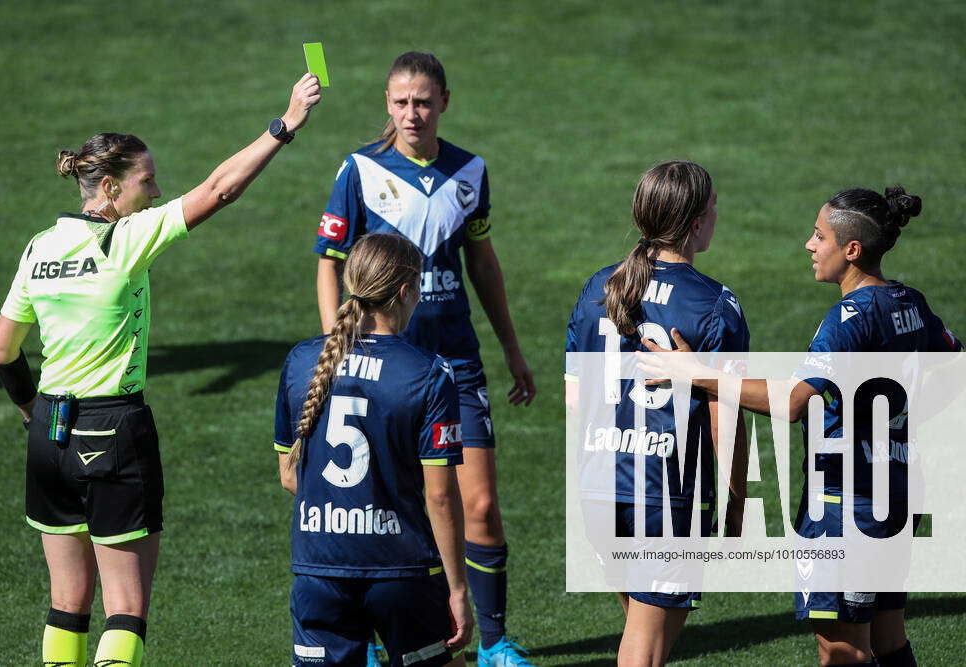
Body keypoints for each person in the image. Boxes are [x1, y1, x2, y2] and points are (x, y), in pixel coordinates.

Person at [0, 73, 321, 666]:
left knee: (66, 603)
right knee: (125, 607)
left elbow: (1, 350)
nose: (157, 189)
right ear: (111, 189)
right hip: (113, 432)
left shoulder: (39, 246)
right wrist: (285, 125)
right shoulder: (125, 241)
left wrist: (31, 413)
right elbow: (219, 190)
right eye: (147, 181)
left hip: (49, 436)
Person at [639, 185, 961, 667]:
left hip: (846, 505)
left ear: (851, 250)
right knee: (888, 636)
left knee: (842, 647)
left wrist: (696, 374)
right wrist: (901, 419)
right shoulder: (908, 301)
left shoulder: (848, 319)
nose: (809, 246)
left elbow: (792, 403)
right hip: (897, 492)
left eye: (819, 236)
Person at [313, 51, 536, 667]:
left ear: (444, 102)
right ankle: (392, 638)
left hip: (456, 363)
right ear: (387, 104)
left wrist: (513, 350)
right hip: (384, 360)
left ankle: (494, 642)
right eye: (401, 102)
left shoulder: (471, 171)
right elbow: (329, 264)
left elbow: (482, 263)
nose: (412, 113)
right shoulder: (360, 170)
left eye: (423, 102)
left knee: (481, 504)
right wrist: (340, 347)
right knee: (393, 505)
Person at [565, 161, 750, 667]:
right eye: (712, 206)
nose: (717, 214)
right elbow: (725, 419)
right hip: (666, 493)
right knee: (644, 648)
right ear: (694, 223)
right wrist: (736, 503)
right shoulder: (715, 305)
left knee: (644, 636)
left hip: (598, 487)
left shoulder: (596, 289)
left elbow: (576, 400)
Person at [274, 233, 473, 666]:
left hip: (318, 565)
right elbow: (441, 497)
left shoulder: (302, 360)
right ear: (405, 291)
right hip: (403, 570)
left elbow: (291, 475)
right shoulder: (429, 373)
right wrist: (457, 588)